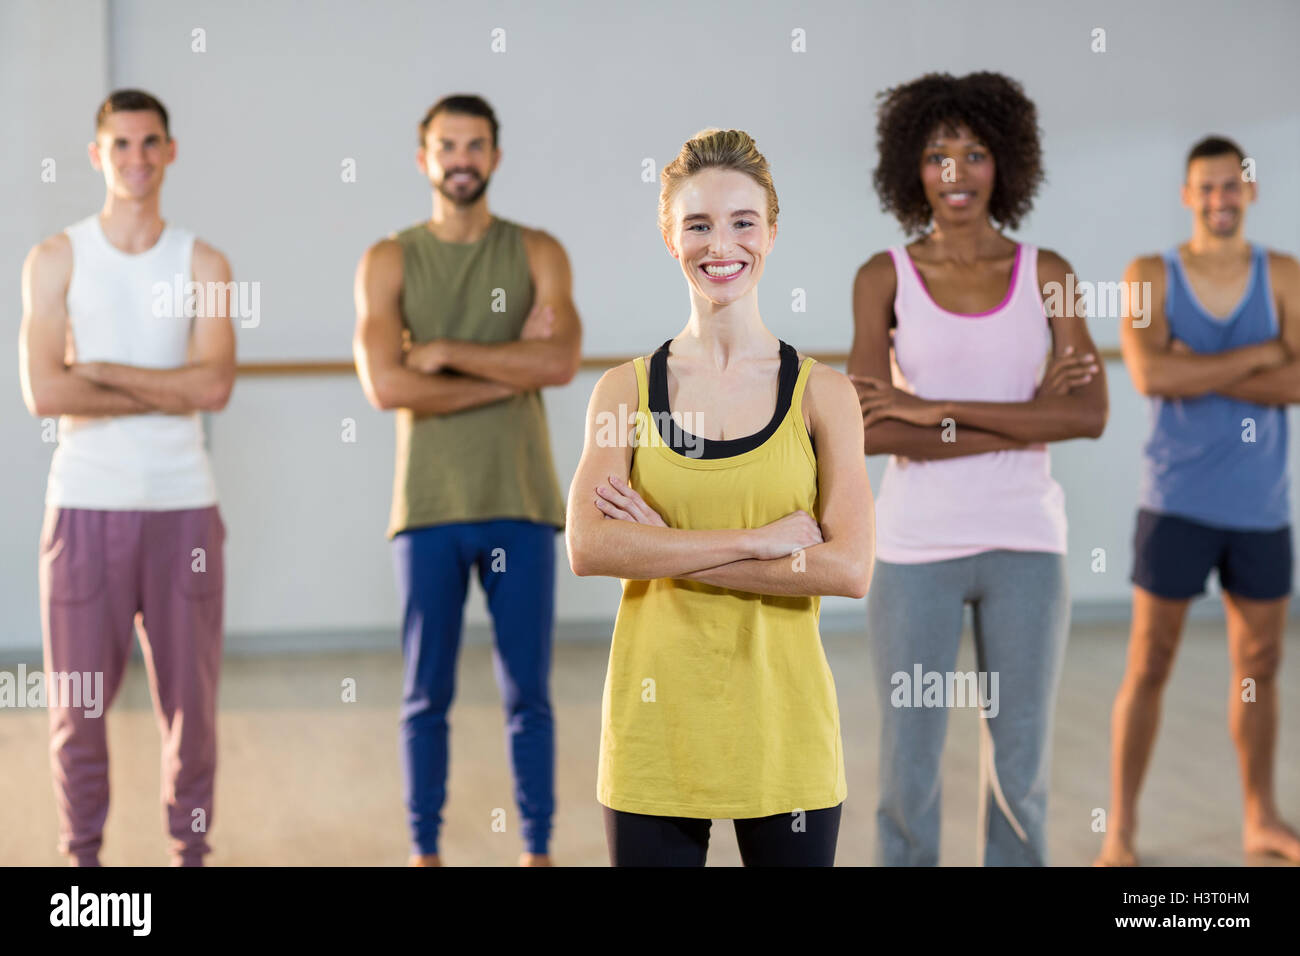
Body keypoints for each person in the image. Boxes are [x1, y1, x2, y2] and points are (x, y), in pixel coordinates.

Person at [567, 128, 874, 867]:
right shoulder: (625, 392)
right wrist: (760, 539)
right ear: (670, 237)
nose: (721, 244)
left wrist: (659, 548)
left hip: (786, 740)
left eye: (742, 221)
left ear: (771, 230)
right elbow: (589, 548)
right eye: (698, 224)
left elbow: (849, 570)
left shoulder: (824, 395)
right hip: (653, 743)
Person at [850, 72, 1107, 866]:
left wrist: (930, 412)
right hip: (914, 548)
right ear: (912, 169)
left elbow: (1087, 416)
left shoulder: (1048, 273)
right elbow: (870, 429)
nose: (956, 173)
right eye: (937, 156)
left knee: (1021, 768)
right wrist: (1025, 414)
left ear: (1006, 164)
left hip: (1026, 543)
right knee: (907, 769)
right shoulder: (883, 275)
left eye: (975, 153)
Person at [352, 94, 581, 867]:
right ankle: (425, 852)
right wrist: (506, 371)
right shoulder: (388, 259)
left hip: (520, 501)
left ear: (496, 156)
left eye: (475, 144)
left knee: (530, 696)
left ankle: (538, 850)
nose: (461, 158)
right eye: (446, 145)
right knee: (426, 697)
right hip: (427, 510)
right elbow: (386, 387)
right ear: (423, 158)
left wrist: (444, 349)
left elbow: (557, 363)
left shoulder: (538, 250)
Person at [18, 89, 236, 866]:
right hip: (83, 507)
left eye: (150, 144)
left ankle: (191, 857)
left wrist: (102, 371)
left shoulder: (205, 262)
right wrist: (165, 384)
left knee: (194, 712)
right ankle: (82, 866)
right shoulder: (55, 259)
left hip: (184, 508)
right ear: (97, 155)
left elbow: (213, 389)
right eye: (121, 145)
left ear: (170, 151)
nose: (137, 159)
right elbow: (46, 392)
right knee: (78, 712)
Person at [1097, 135, 1300, 866]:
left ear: (1250, 192)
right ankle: (1119, 831)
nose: (1219, 199)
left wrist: (1197, 364)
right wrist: (1260, 354)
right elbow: (1151, 377)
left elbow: (1299, 382)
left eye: (1231, 187)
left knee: (1262, 665)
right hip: (1176, 502)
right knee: (1149, 663)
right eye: (1205, 188)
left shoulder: (1282, 274)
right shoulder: (1150, 272)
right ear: (1189, 196)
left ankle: (1260, 818)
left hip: (1261, 507)